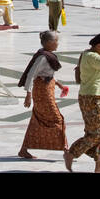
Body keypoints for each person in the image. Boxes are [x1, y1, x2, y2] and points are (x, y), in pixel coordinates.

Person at [64, 33, 100, 173]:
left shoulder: (95, 56)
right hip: (91, 97)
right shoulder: (91, 56)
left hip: (99, 96)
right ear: (98, 46)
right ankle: (71, 153)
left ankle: (99, 165)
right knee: (96, 132)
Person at [17, 30, 69, 160]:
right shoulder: (42, 57)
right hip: (42, 92)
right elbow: (31, 74)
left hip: (48, 88)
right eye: (56, 41)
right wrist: (28, 94)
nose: (57, 43)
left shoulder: (48, 55)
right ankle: (66, 149)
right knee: (57, 119)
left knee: (37, 119)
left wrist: (58, 84)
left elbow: (47, 74)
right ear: (50, 42)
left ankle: (24, 149)